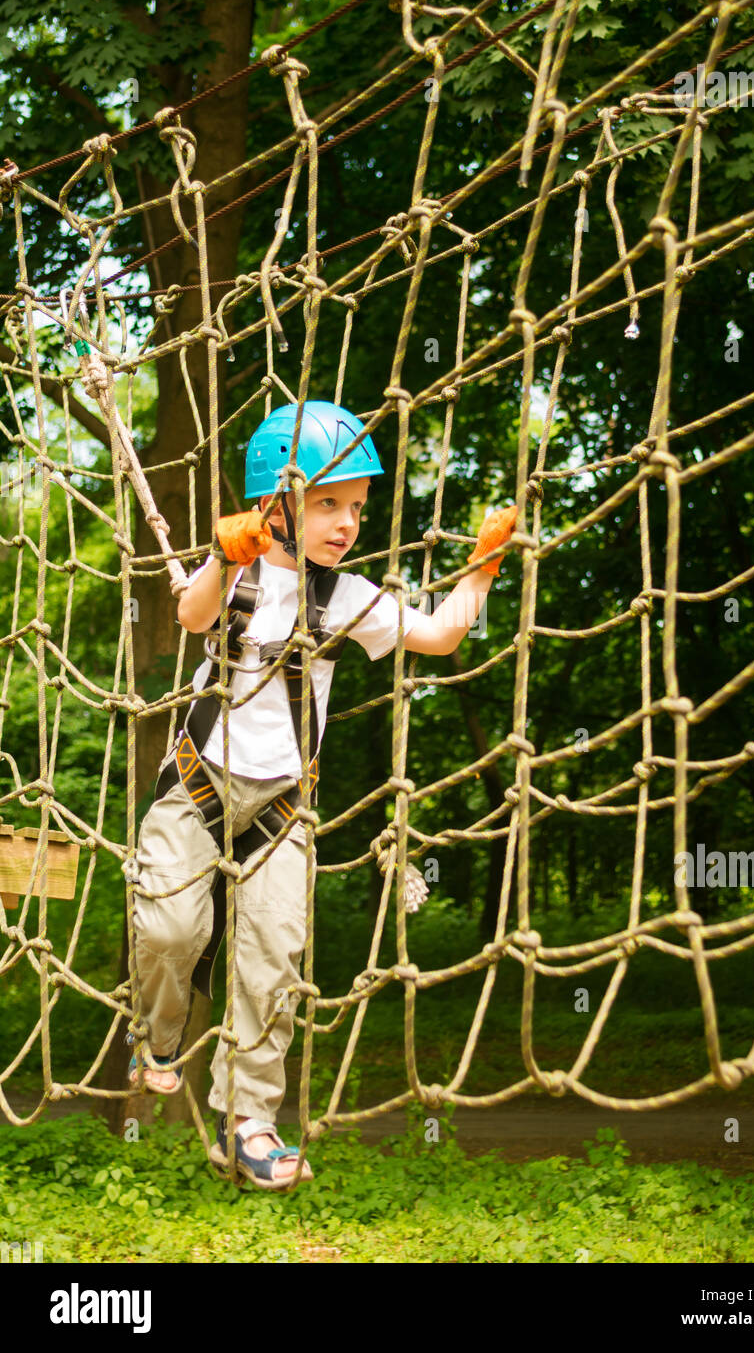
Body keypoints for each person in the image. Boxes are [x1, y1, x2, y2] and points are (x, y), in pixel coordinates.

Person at [128, 400, 518, 1190]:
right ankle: (160, 1035)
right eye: (328, 504)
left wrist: (481, 569)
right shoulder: (237, 566)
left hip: (281, 803)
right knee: (170, 925)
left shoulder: (342, 598)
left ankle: (251, 1122)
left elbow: (439, 636)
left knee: (274, 956)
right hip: (197, 776)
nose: (346, 524)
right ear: (278, 502)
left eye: (356, 509)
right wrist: (218, 555)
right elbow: (191, 612)